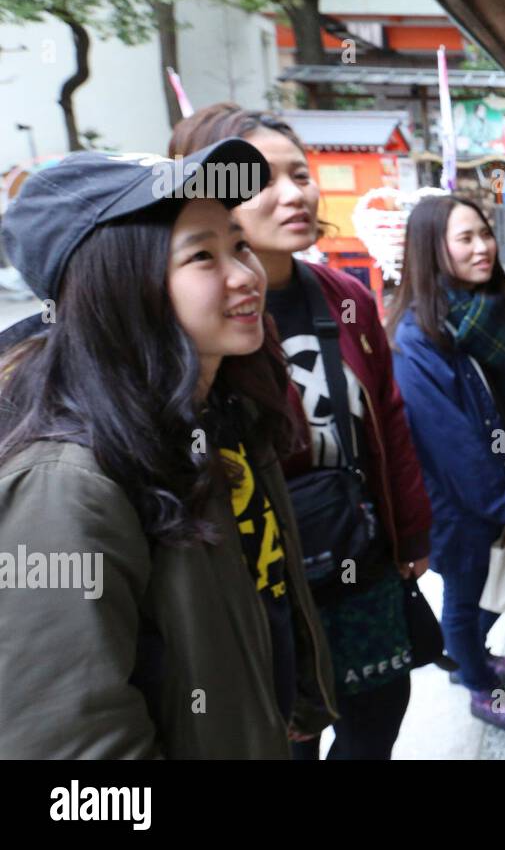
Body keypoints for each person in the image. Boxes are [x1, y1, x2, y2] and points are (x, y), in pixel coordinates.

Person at [0, 142, 337, 757]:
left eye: (238, 244)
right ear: (122, 286)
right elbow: (72, 749)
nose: (245, 273)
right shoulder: (65, 485)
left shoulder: (224, 409)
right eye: (202, 255)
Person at [169, 105, 433, 760]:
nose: (293, 194)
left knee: (378, 709)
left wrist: (412, 531)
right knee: (290, 735)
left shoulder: (346, 295)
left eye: (301, 173)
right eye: (263, 180)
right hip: (264, 583)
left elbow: (389, 417)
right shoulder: (193, 319)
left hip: (357, 554)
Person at [387, 195, 505, 733]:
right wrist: (504, 501)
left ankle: (472, 658)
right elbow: (449, 442)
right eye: (466, 239)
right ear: (431, 250)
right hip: (459, 504)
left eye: (485, 234)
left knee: (496, 586)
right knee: (466, 596)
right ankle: (481, 685)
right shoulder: (415, 337)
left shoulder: (489, 311)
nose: (483, 246)